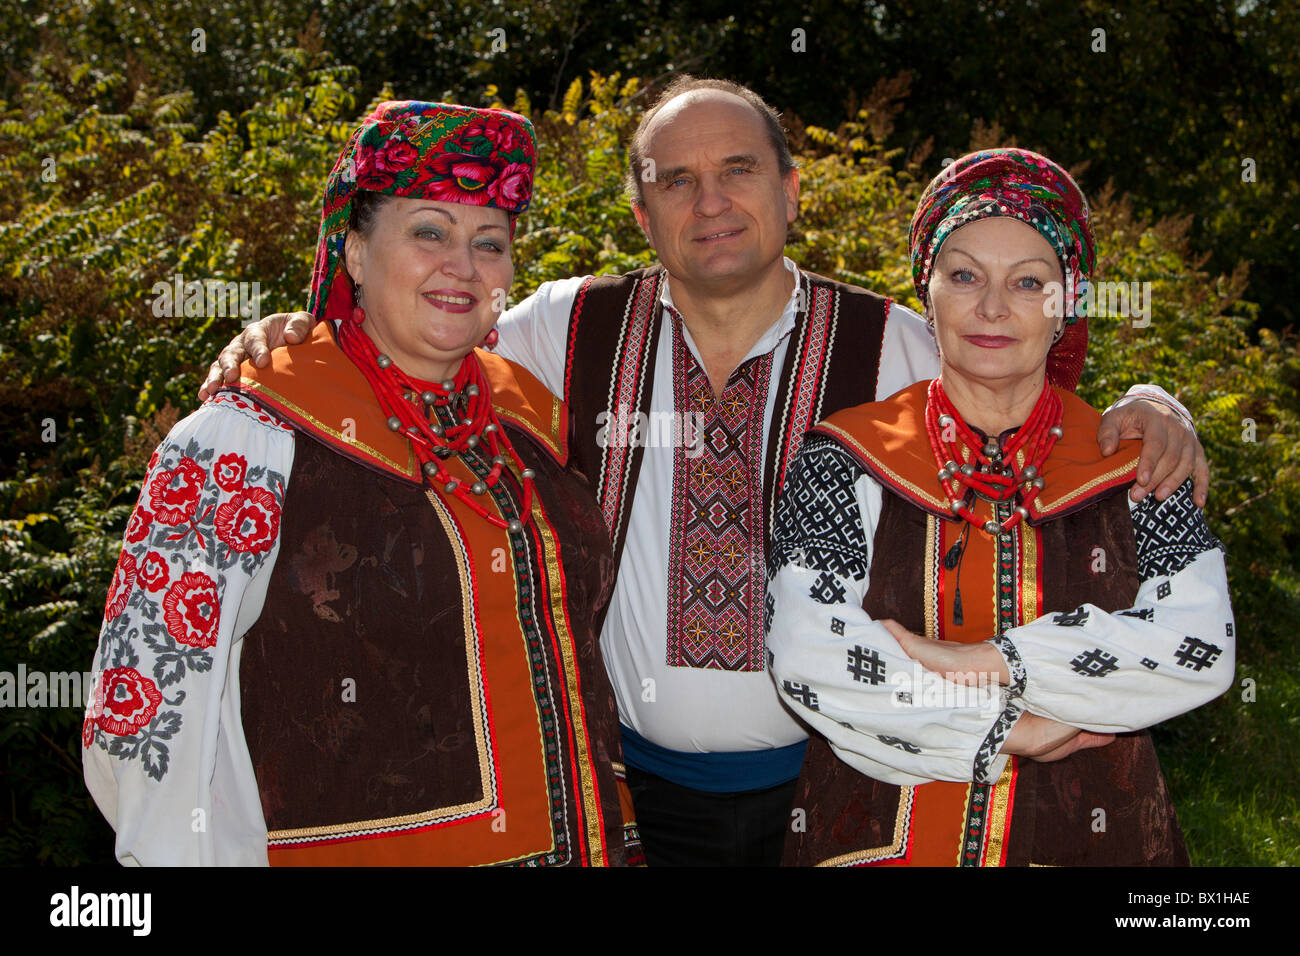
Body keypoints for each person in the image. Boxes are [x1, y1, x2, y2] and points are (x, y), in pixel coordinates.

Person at [200, 78, 1209, 866]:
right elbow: (410, 347)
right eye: (673, 178)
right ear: (640, 207)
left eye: (737, 168)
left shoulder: (898, 343)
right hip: (624, 788)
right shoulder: (558, 331)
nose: (709, 200)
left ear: (790, 189)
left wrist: (1150, 406)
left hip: (851, 778)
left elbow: (1026, 386)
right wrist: (297, 336)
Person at [83, 101, 629, 866]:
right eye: (428, 231)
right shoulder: (247, 438)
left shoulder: (532, 422)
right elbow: (144, 715)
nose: (463, 265)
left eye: (490, 243)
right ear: (355, 252)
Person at [766, 148, 1234, 866]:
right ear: (926, 293)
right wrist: (1012, 727)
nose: (991, 307)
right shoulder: (842, 457)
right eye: (963, 276)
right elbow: (809, 656)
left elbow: (1197, 648)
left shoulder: (1136, 462)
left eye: (1027, 282)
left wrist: (989, 660)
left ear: (1066, 303)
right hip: (871, 841)